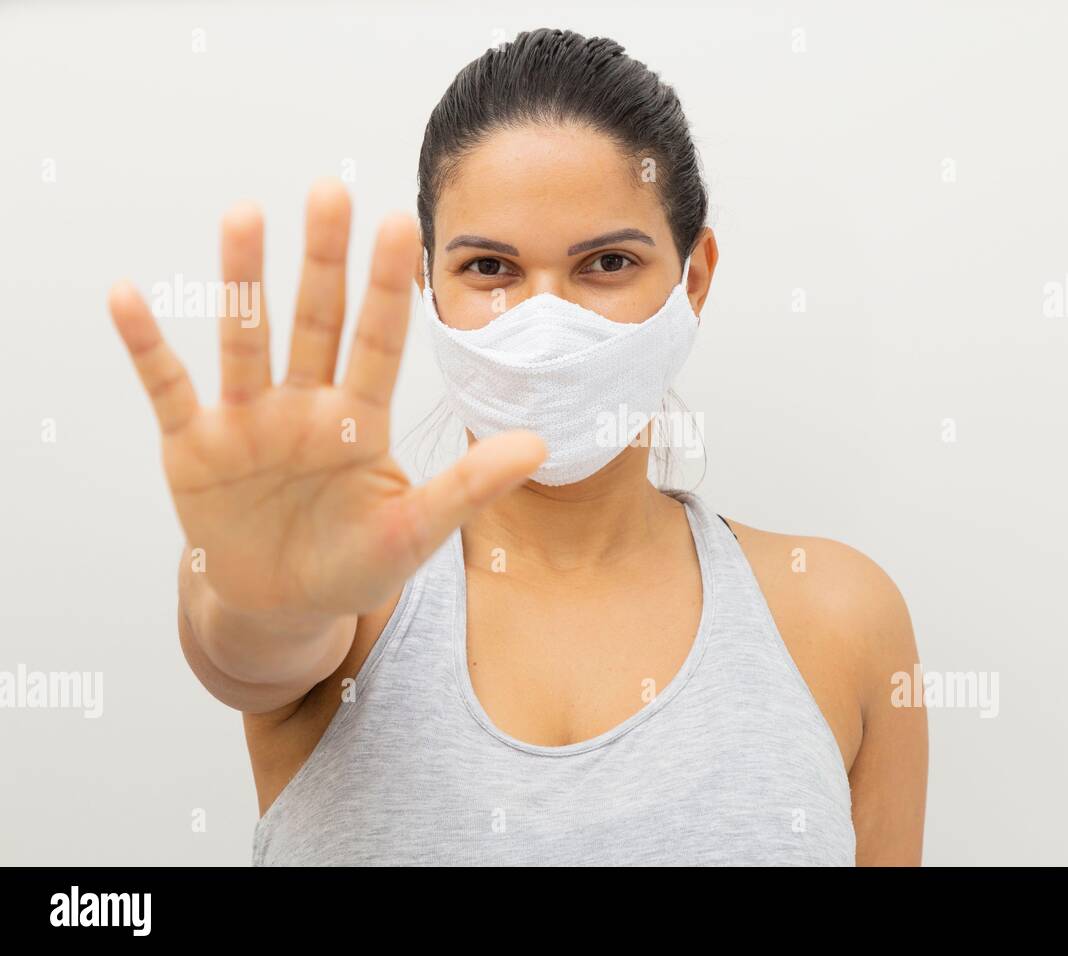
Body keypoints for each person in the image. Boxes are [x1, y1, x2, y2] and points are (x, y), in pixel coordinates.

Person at [108, 27, 927, 866]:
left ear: (695, 277)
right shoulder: (349, 601)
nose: (545, 320)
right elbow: (248, 645)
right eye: (490, 268)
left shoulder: (838, 620)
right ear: (428, 280)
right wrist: (259, 591)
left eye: (606, 262)